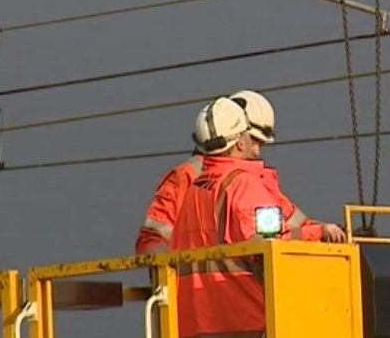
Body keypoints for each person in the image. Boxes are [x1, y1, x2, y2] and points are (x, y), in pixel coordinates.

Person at [170, 97, 345, 338]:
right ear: (240, 142)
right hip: (240, 319)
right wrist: (321, 233)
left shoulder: (195, 189)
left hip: (194, 322)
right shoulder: (243, 184)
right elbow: (270, 242)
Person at [134, 90, 336, 254]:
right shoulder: (188, 177)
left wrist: (326, 231)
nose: (257, 151)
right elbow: (152, 241)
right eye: (254, 141)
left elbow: (292, 224)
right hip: (216, 293)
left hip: (217, 292)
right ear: (238, 136)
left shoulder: (254, 180)